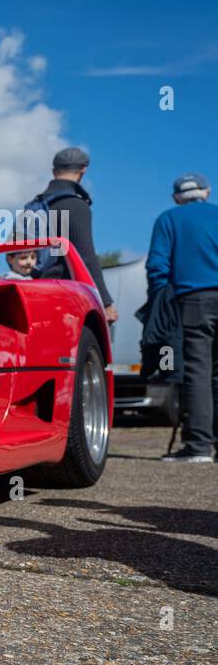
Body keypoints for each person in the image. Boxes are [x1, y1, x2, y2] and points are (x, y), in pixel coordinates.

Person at [147, 172, 218, 462]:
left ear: (177, 197)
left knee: (197, 373)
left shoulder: (168, 219)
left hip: (192, 301)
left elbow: (157, 266)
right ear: (207, 191)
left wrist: (159, 302)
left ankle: (199, 446)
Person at [23, 147, 117, 322]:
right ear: (83, 171)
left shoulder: (33, 207)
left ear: (54, 171)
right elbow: (86, 256)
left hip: (34, 292)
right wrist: (105, 302)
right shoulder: (75, 206)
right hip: (65, 293)